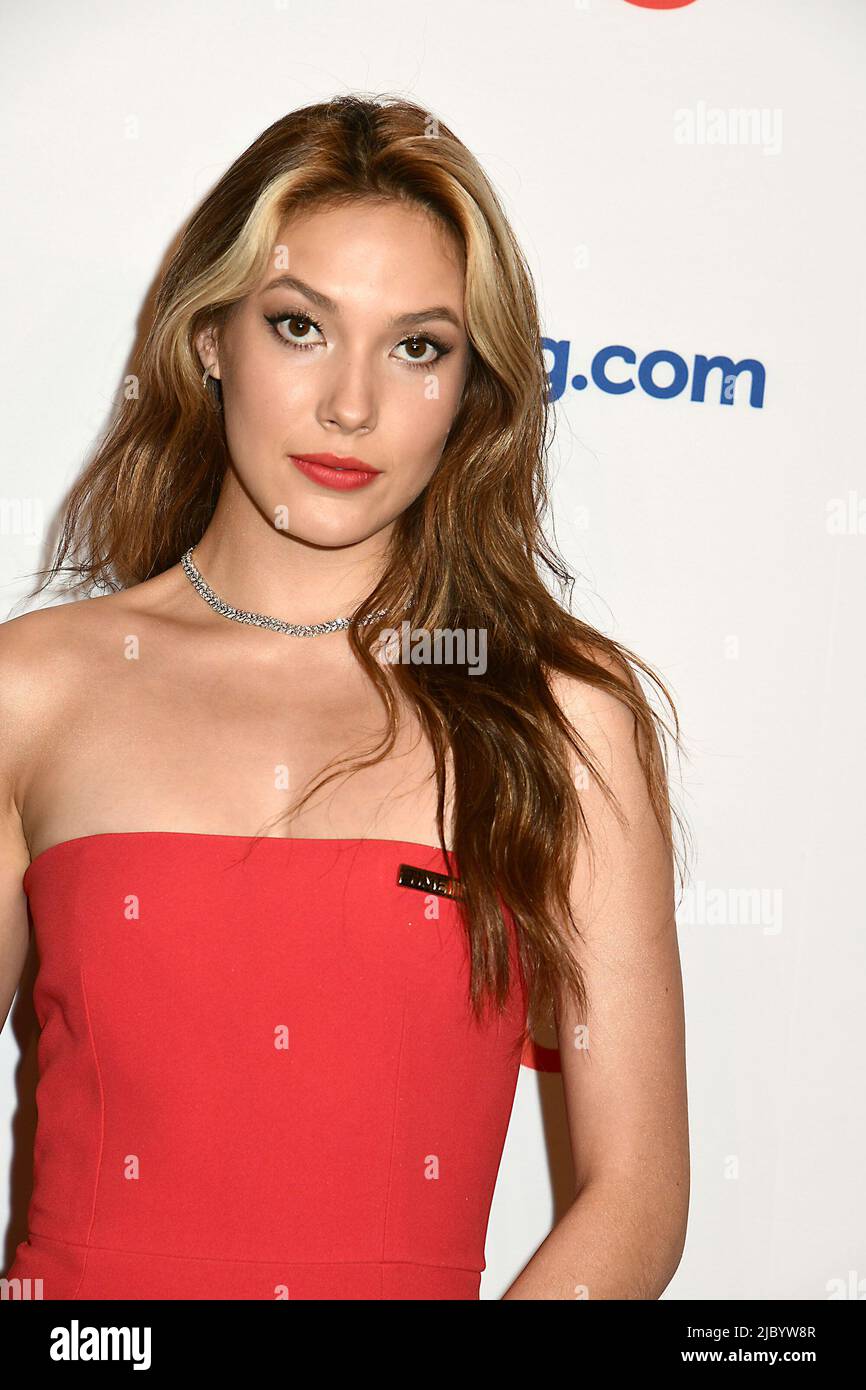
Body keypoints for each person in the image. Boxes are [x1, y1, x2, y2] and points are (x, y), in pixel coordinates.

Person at [0, 94, 689, 1300]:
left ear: (472, 387)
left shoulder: (561, 715)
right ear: (209, 336)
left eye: (417, 347)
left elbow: (633, 1201)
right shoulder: (32, 689)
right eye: (300, 326)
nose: (351, 406)